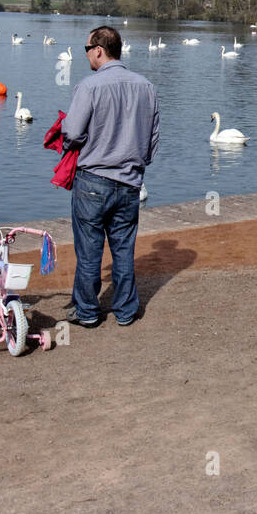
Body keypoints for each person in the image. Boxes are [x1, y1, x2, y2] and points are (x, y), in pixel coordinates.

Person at [61, 26, 160, 328]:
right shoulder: (147, 87)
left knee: (89, 250)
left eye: (87, 49)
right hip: (130, 182)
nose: (87, 54)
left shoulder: (89, 87)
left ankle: (88, 312)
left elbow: (73, 132)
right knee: (123, 248)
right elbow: (152, 142)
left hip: (93, 180)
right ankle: (126, 311)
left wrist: (67, 142)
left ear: (99, 50)